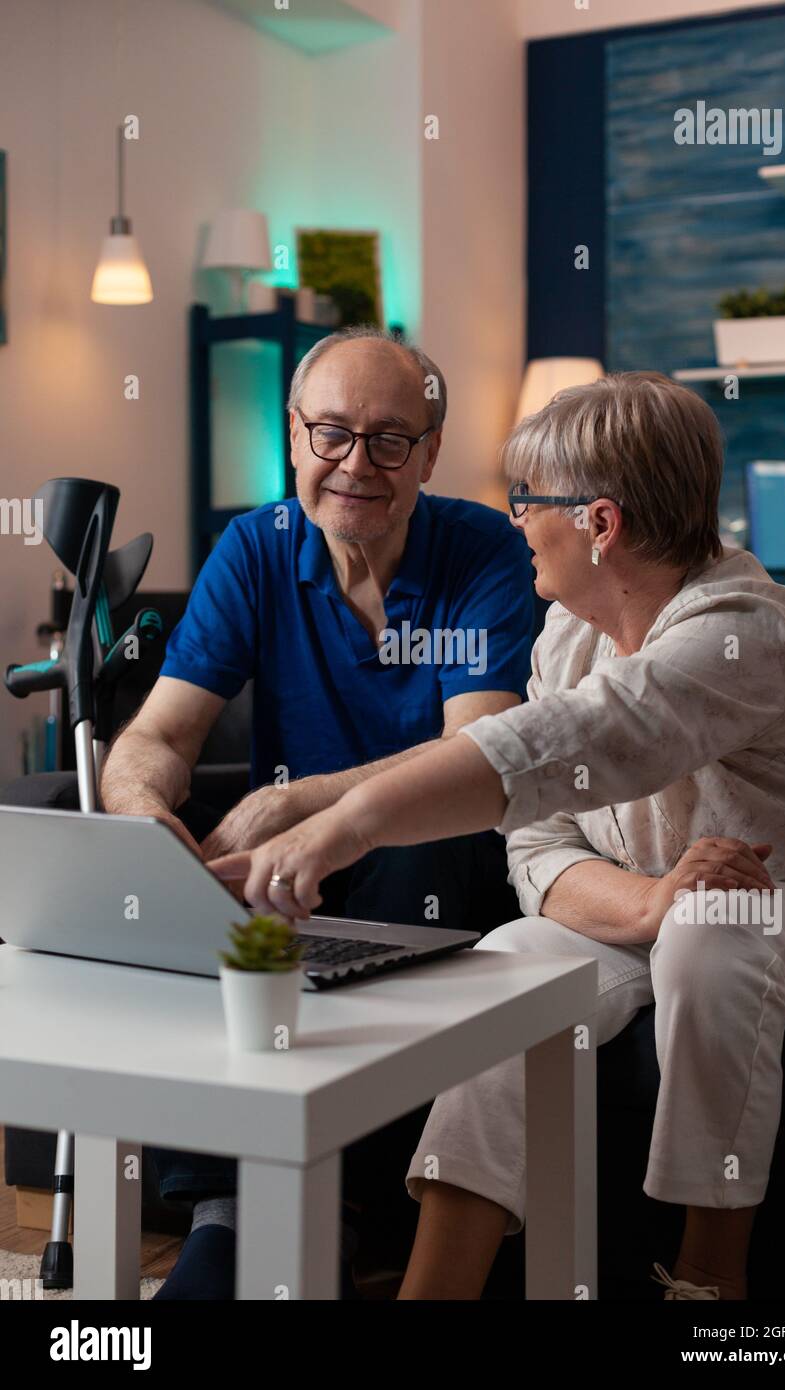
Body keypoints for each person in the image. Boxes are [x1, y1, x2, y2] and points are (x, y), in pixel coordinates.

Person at [212, 370, 785, 1301]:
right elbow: (536, 842)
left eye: (528, 503)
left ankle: (708, 1285)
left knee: (713, 929)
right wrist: (649, 898)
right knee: (514, 963)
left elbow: (562, 746)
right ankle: (436, 1287)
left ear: (600, 524)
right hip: (662, 910)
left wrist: (341, 826)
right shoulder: (568, 634)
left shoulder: (741, 633)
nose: (515, 522)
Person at [2, 327, 535, 1299]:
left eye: (387, 439)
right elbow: (158, 737)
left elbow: (475, 754)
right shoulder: (258, 546)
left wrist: (295, 803)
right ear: (292, 437)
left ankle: (339, 1210)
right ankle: (233, 1211)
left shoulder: (483, 550)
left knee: (425, 843)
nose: (354, 464)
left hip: (430, 862)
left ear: (430, 449)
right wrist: (141, 820)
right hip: (293, 874)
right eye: (330, 433)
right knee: (172, 874)